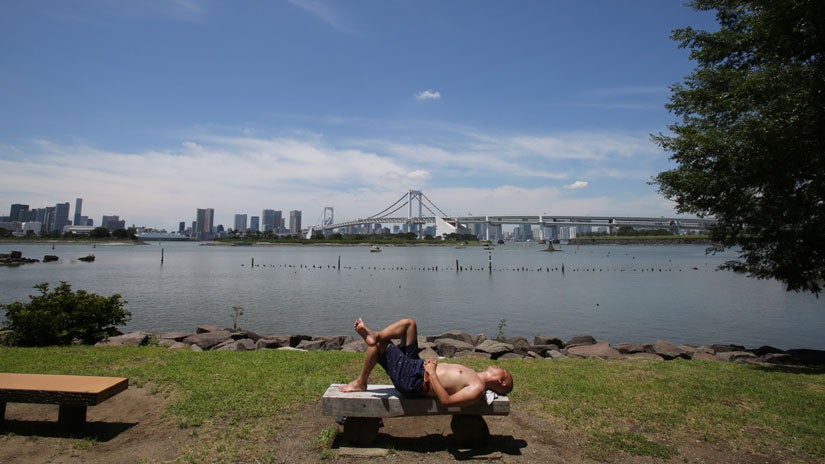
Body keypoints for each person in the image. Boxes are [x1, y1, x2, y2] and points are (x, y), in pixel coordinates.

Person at [339, 318, 513, 407]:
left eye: (503, 371)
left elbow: (446, 402)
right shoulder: (474, 375)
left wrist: (433, 373)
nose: (500, 366)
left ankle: (361, 382)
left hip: (414, 379)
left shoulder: (477, 388)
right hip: (417, 368)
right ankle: (375, 335)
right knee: (410, 324)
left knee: (380, 345)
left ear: (501, 381)